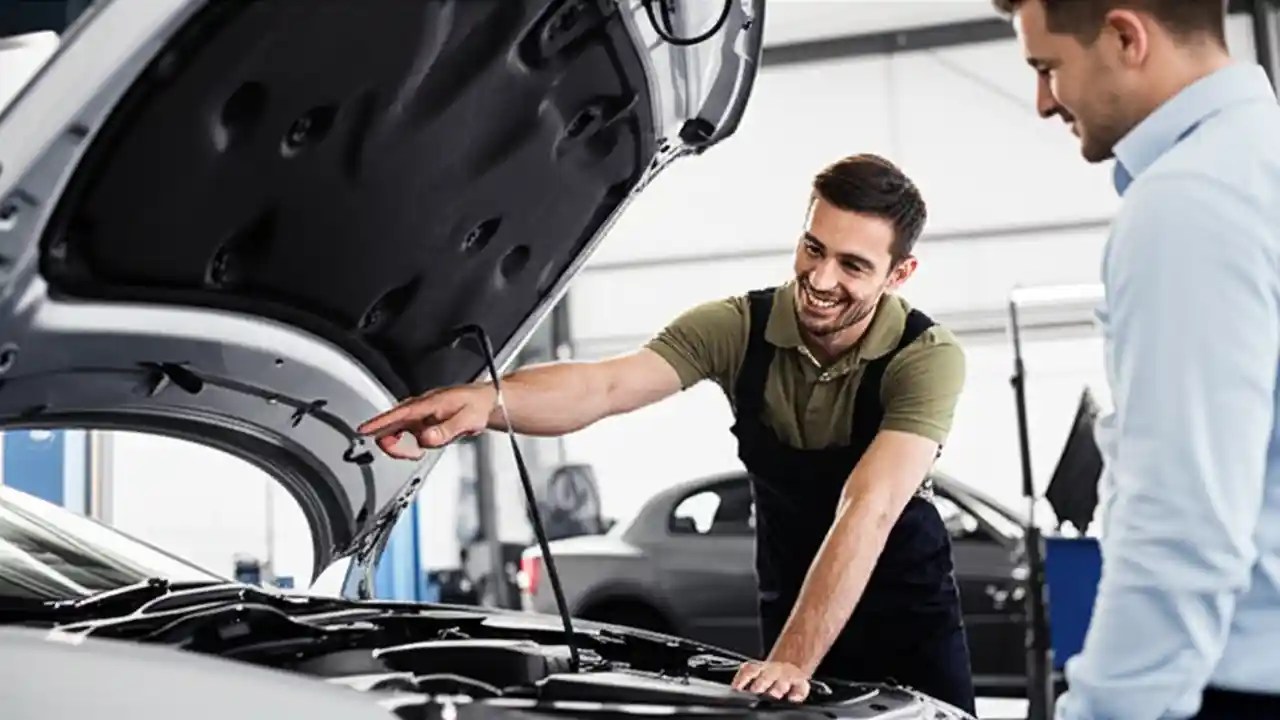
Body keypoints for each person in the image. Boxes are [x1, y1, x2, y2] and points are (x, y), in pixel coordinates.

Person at [358, 154, 973, 712]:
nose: (819, 277)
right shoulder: (737, 327)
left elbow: (867, 508)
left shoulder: (925, 357)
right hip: (789, 605)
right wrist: (487, 401)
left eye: (853, 265)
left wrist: (794, 659)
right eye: (813, 248)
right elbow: (605, 386)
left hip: (906, 619)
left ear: (900, 272)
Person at [995, 1, 1280, 718]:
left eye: (1047, 68)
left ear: (1126, 37)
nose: (1041, 103)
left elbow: (1181, 524)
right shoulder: (1259, 159)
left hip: (1235, 688)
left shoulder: (1191, 200)